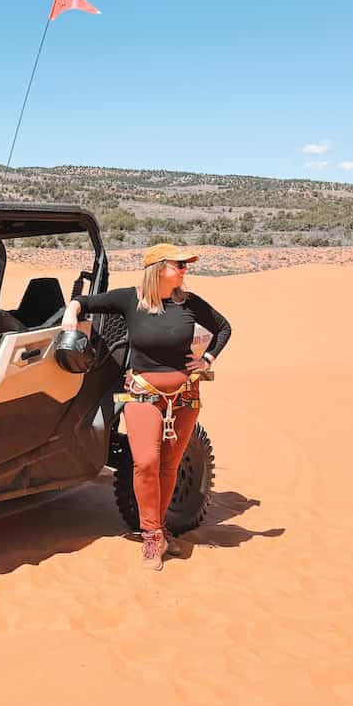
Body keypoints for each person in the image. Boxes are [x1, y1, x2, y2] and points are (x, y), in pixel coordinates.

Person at [61, 242, 232, 571]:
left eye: (185, 265)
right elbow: (84, 302)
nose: (184, 270)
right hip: (143, 392)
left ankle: (158, 530)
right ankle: (151, 534)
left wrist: (208, 359)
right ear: (158, 269)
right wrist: (71, 312)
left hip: (185, 396)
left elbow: (223, 328)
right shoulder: (130, 300)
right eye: (178, 265)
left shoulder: (190, 303)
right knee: (146, 462)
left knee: (169, 465)